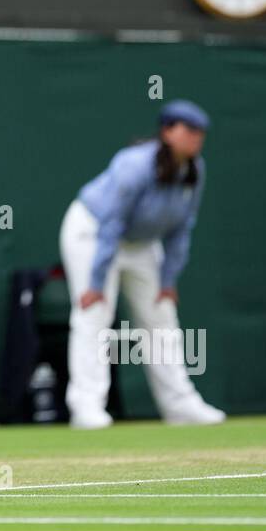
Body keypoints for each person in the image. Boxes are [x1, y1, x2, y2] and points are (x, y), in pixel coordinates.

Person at [60, 101, 225, 429]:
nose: (196, 137)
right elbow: (111, 224)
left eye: (200, 132)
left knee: (161, 316)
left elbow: (182, 229)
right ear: (167, 131)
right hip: (93, 233)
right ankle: (86, 407)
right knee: (94, 313)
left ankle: (180, 404)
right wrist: (96, 283)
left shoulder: (196, 170)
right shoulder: (134, 164)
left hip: (141, 244)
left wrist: (168, 280)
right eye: (189, 130)